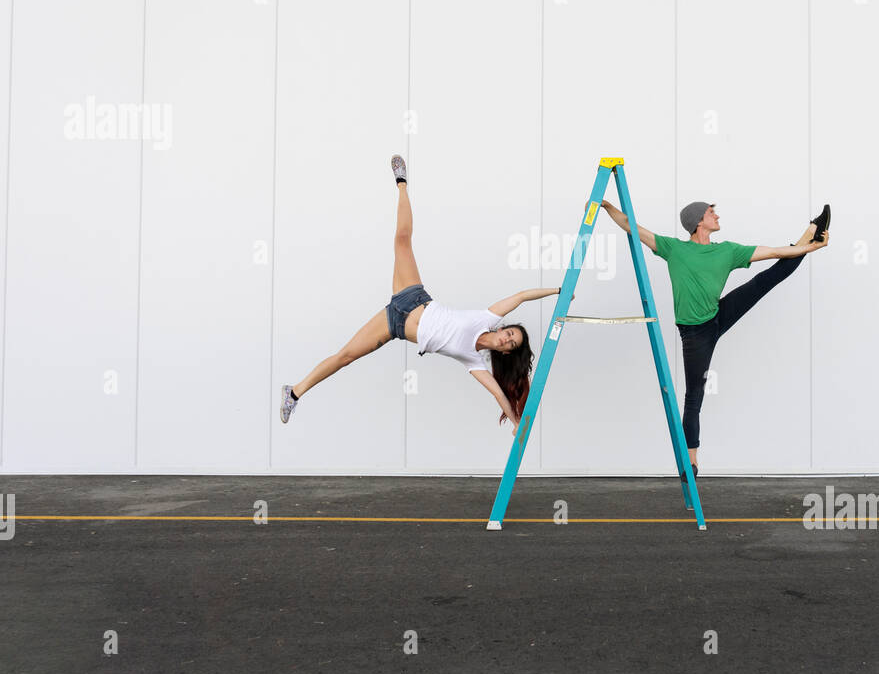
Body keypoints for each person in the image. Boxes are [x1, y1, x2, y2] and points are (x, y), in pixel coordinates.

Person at [281, 155, 559, 435]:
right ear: (505, 328)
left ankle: (293, 393)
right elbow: (522, 295)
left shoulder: (473, 360)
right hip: (413, 297)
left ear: (504, 352)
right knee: (402, 239)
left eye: (510, 345)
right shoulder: (484, 318)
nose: (507, 340)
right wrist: (559, 291)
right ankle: (402, 183)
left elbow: (498, 395)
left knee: (345, 357)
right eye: (510, 334)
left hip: (395, 325)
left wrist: (515, 422)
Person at [600, 198, 831, 477]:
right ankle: (692, 461)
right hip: (695, 332)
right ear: (698, 221)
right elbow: (631, 227)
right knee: (694, 396)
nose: (717, 215)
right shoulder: (674, 249)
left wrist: (812, 246)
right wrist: (607, 206)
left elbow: (775, 252)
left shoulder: (728, 251)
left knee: (766, 279)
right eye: (712, 212)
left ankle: (810, 230)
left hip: (717, 315)